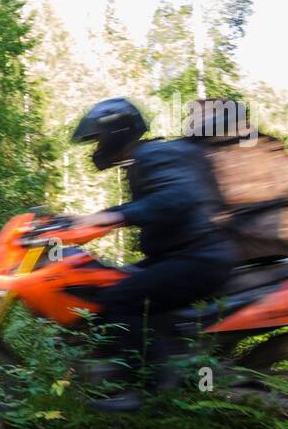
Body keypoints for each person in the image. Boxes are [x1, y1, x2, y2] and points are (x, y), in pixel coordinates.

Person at [69, 97, 239, 412]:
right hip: (184, 255)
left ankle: (151, 392)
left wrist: (115, 215)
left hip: (198, 258)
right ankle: (126, 371)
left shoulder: (154, 154)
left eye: (99, 138)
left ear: (117, 132)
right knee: (108, 285)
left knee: (118, 299)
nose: (96, 146)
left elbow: (178, 197)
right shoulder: (148, 157)